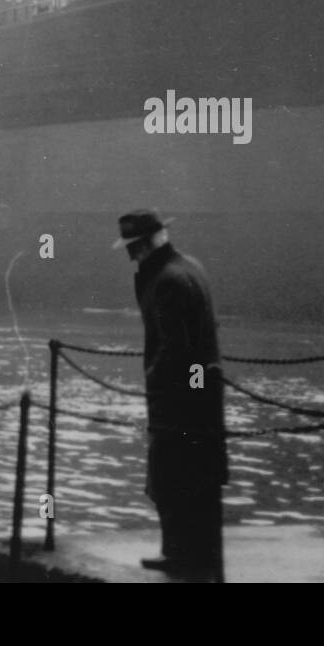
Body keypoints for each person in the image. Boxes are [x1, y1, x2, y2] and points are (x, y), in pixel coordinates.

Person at [114, 209, 228, 581]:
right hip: (203, 394)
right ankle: (203, 557)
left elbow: (174, 349)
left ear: (144, 246)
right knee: (200, 480)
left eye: (132, 249)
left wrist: (159, 389)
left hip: (178, 401)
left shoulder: (165, 281)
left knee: (169, 479)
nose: (131, 257)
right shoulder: (190, 267)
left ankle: (179, 556)